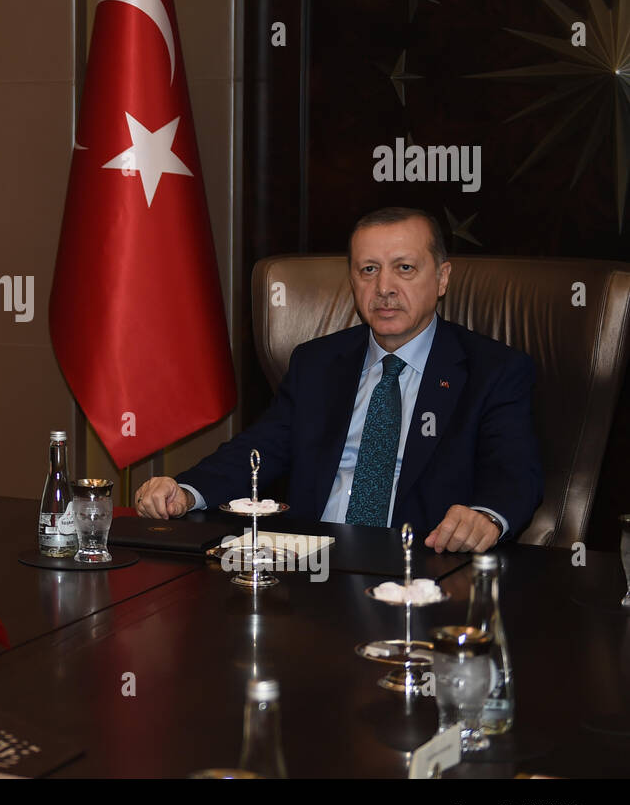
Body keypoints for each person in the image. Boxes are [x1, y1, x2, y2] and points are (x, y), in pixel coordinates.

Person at [134, 207, 542, 552]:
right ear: (352, 279)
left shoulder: (494, 371)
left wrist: (485, 517)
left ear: (442, 277)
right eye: (369, 270)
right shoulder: (318, 362)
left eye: (404, 268)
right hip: (311, 565)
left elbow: (514, 474)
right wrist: (187, 491)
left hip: (418, 570)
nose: (384, 288)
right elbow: (258, 451)